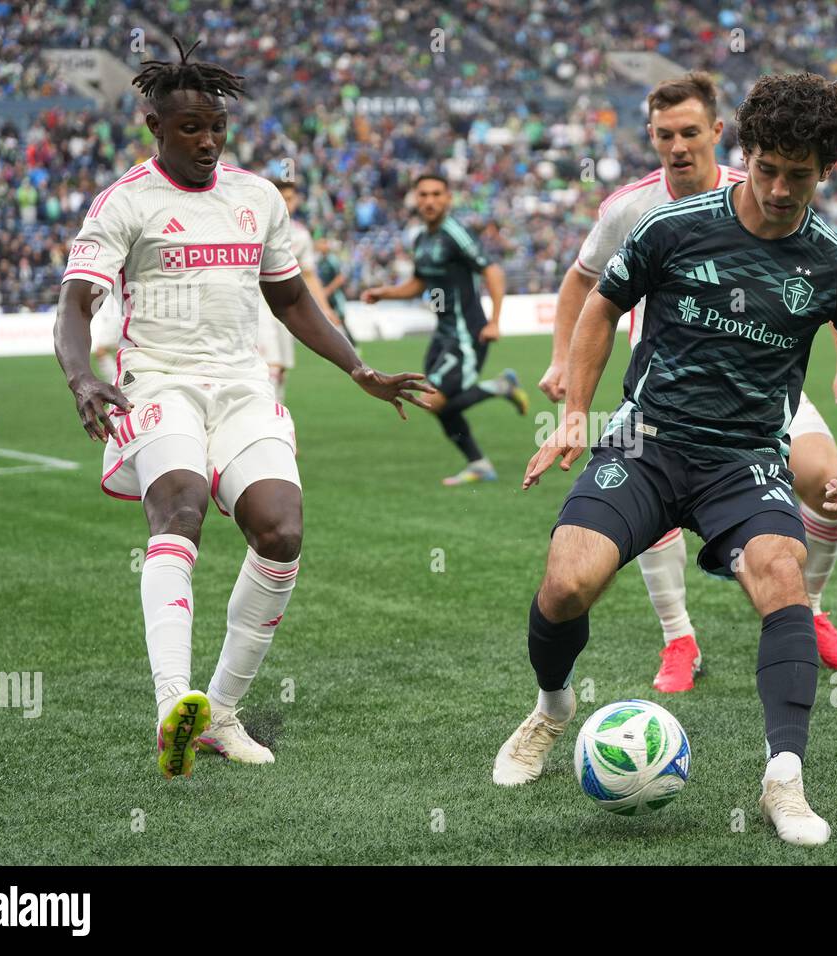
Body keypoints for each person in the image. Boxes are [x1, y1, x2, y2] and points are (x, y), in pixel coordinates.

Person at [493, 73, 837, 846]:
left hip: (744, 455)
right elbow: (601, 305)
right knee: (569, 580)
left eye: (799, 176)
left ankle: (785, 778)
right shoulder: (671, 227)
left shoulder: (836, 265)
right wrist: (575, 411)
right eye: (768, 168)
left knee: (784, 579)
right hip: (647, 441)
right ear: (746, 151)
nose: (779, 189)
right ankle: (551, 709)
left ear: (827, 171)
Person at [54, 39, 432, 779]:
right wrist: (79, 378)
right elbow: (75, 303)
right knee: (182, 506)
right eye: (190, 127)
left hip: (242, 387)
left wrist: (358, 367)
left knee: (281, 531)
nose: (207, 140)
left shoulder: (257, 198)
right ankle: (173, 701)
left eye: (216, 127)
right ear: (155, 127)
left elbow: (290, 297)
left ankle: (219, 712)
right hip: (159, 384)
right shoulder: (126, 202)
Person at [538, 72, 837, 693]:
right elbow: (584, 283)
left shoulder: (768, 186)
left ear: (720, 134)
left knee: (827, 484)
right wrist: (562, 358)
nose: (678, 146)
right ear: (652, 137)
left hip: (763, 387)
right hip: (666, 387)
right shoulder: (629, 208)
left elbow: (833, 280)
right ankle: (678, 637)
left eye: (690, 132)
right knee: (651, 495)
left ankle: (811, 607)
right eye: (664, 135)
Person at [362, 175, 529, 485]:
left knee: (432, 400)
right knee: (433, 401)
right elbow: (418, 284)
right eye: (423, 194)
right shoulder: (422, 240)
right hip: (442, 334)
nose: (429, 201)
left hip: (467, 333)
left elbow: (492, 270)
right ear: (415, 198)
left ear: (448, 198)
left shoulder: (456, 233)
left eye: (437, 194)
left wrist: (495, 320)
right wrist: (384, 293)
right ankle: (479, 464)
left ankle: (500, 387)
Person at [256, 180, 340, 402]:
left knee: (280, 369)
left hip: (284, 309)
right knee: (268, 367)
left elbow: (310, 275)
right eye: (281, 198)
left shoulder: (301, 235)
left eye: (290, 199)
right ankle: (267, 424)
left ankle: (276, 420)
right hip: (256, 307)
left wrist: (326, 308)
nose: (286, 203)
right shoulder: (252, 227)